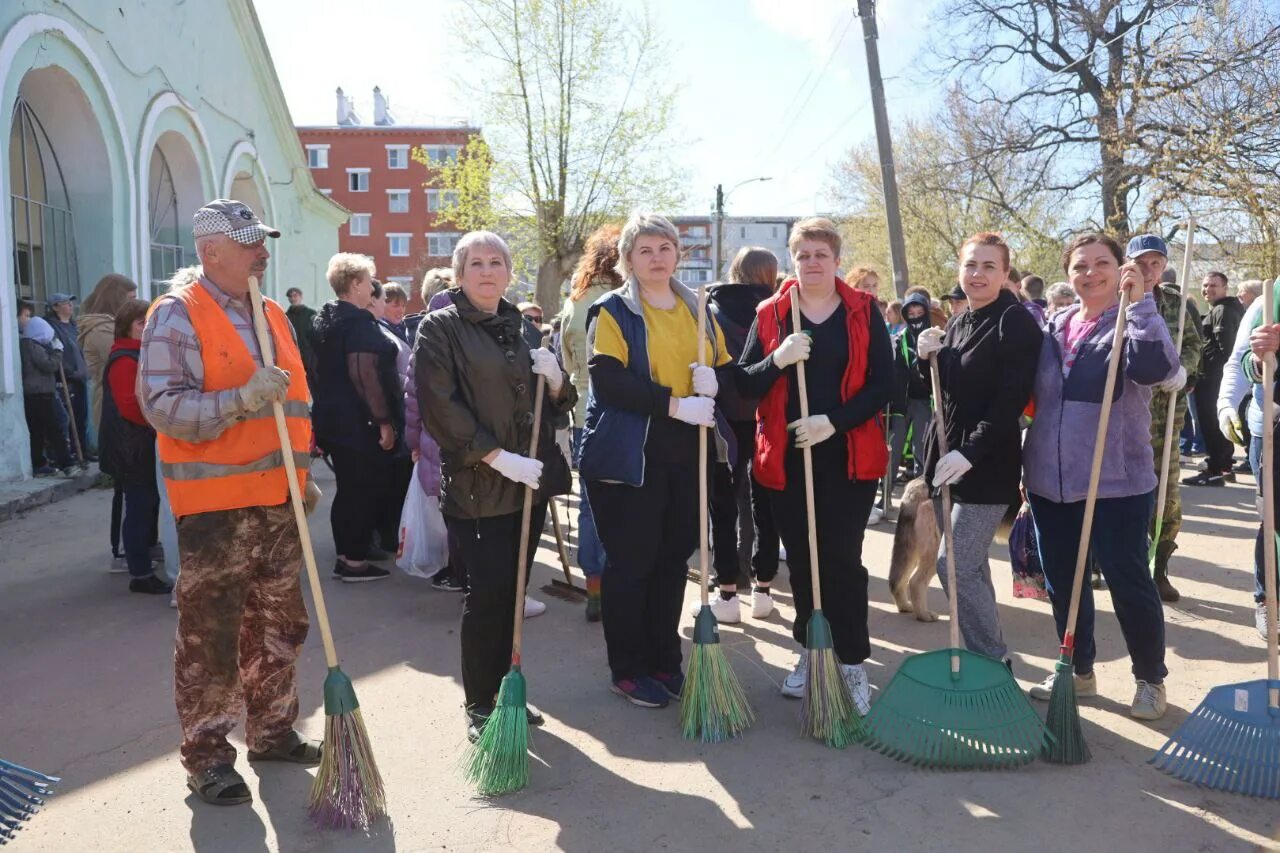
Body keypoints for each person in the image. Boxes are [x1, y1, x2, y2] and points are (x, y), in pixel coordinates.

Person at [139, 199, 322, 806]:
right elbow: (162, 406)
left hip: (279, 501)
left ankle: (271, 729)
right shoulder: (177, 315)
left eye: (261, 241)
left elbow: (293, 408)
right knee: (210, 636)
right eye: (248, 243)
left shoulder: (272, 312)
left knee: (280, 625)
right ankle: (209, 756)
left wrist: (304, 473)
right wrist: (241, 398)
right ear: (209, 251)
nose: (261, 252)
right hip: (217, 509)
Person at [415, 230, 574, 739]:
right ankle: (479, 703)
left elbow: (549, 408)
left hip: (526, 486)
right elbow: (440, 405)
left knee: (513, 595)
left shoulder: (522, 328)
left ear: (509, 272)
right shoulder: (439, 329)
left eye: (496, 262)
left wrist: (557, 382)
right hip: (478, 487)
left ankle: (509, 691)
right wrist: (496, 456)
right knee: (487, 598)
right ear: (460, 274)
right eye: (476, 263)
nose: (487, 271)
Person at [737, 217, 891, 714]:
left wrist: (835, 422)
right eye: (802, 255)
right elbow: (745, 384)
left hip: (846, 456)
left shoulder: (864, 312)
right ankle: (810, 652)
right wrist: (777, 359)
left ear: (837, 259)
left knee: (842, 560)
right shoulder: (770, 313)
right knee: (802, 561)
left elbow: (883, 384)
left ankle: (850, 662)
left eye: (821, 254)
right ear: (791, 260)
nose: (812, 263)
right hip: (786, 459)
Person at [580, 212, 733, 709]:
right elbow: (610, 382)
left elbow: (725, 370)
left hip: (687, 456)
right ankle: (627, 670)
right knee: (632, 565)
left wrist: (715, 382)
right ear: (627, 259)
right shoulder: (612, 311)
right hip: (630, 458)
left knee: (672, 563)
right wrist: (675, 403)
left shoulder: (699, 307)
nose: (656, 258)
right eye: (644, 250)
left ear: (677, 255)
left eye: (664, 248)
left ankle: (666, 662)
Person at [1023, 233, 1178, 721]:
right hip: (1052, 480)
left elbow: (1154, 368)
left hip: (1117, 480)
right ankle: (1077, 668)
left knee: (1128, 580)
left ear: (1121, 269)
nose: (1090, 273)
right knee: (1063, 582)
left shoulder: (1133, 321)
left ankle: (1150, 679)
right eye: (1079, 266)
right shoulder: (1055, 325)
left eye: (1101, 264)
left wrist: (1143, 305)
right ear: (1067, 275)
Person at [915, 233, 1041, 666]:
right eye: (971, 265)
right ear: (960, 271)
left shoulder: (1015, 322)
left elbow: (1010, 402)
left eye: (990, 266)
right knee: (970, 567)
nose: (978, 274)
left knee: (955, 566)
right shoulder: (960, 320)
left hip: (986, 464)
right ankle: (986, 651)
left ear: (1006, 273)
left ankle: (991, 660)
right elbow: (947, 389)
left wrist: (968, 453)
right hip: (944, 458)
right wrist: (926, 357)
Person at [699, 246, 780, 624]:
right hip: (768, 416)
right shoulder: (781, 309)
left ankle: (727, 590)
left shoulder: (710, 310)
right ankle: (763, 587)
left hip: (723, 418)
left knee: (723, 504)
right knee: (766, 504)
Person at [311, 255, 400, 582]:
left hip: (330, 419)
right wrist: (384, 422)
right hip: (357, 423)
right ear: (355, 284)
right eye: (368, 280)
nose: (372, 285)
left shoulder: (326, 319)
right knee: (362, 489)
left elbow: (316, 371)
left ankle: (346, 554)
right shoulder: (357, 323)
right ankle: (355, 561)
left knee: (348, 489)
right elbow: (365, 376)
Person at [1126, 234, 1203, 602]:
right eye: (1141, 263)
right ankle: (1108, 562)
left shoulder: (1177, 302)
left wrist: (1184, 371)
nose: (1149, 270)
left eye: (1155, 263)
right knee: (1118, 491)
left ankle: (1159, 569)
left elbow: (1192, 345)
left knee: (1166, 494)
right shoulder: (1115, 299)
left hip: (1166, 414)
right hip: (1125, 414)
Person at [560, 224, 623, 621]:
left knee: (589, 502)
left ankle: (594, 586)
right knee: (623, 502)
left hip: (584, 411)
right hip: (622, 413)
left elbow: (567, 359)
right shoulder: (625, 298)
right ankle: (618, 583)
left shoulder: (575, 300)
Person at [98, 298, 171, 596]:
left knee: (147, 503)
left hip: (136, 442)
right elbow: (130, 406)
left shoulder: (136, 354)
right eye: (141, 323)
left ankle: (144, 556)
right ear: (126, 327)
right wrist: (162, 422)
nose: (147, 328)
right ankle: (139, 573)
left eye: (149, 322)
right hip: (131, 445)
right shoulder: (125, 359)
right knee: (140, 506)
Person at [1223, 283, 1279, 638]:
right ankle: (1268, 599)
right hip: (1273, 427)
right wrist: (1261, 358)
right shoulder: (1269, 299)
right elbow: (1243, 360)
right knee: (1273, 519)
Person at [368, 280, 415, 561]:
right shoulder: (381, 332)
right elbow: (385, 374)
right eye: (392, 302)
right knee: (389, 483)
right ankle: (385, 535)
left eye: (402, 303)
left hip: (404, 411)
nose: (399, 308)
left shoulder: (400, 330)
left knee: (399, 480)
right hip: (393, 413)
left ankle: (391, 534)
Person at [1184, 271, 1243, 487]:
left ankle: (1215, 470)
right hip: (1215, 377)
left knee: (1210, 424)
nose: (1208, 289)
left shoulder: (1222, 311)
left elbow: (1223, 348)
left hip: (1213, 379)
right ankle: (1223, 465)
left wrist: (1205, 370)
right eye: (1206, 285)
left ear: (1225, 288)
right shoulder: (1224, 309)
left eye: (1214, 286)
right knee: (1218, 423)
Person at [79, 274, 141, 434]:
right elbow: (126, 358)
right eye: (130, 298)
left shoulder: (114, 324)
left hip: (124, 398)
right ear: (116, 299)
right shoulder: (101, 328)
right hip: (112, 403)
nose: (134, 303)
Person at [18, 303, 74, 476]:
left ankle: (41, 464)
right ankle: (66, 464)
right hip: (39, 394)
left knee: (40, 430)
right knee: (53, 428)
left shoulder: (31, 345)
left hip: (39, 393)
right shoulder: (31, 346)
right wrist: (57, 351)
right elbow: (49, 366)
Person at [888, 292, 933, 484]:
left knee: (921, 448)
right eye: (911, 314)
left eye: (920, 312)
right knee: (893, 448)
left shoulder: (934, 337)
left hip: (925, 402)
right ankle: (886, 495)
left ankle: (922, 496)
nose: (916, 318)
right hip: (900, 404)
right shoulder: (900, 340)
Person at [45, 292, 91, 461]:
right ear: (55, 307)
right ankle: (70, 453)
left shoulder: (73, 326)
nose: (70, 306)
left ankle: (83, 452)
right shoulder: (51, 327)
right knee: (67, 419)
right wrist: (68, 370)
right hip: (66, 379)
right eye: (65, 303)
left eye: (70, 302)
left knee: (81, 417)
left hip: (80, 377)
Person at [284, 286, 319, 387]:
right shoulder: (286, 316)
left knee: (314, 381)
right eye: (290, 296)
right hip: (294, 354)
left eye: (295, 295)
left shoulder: (311, 314)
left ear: (301, 297)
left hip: (310, 354)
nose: (293, 298)